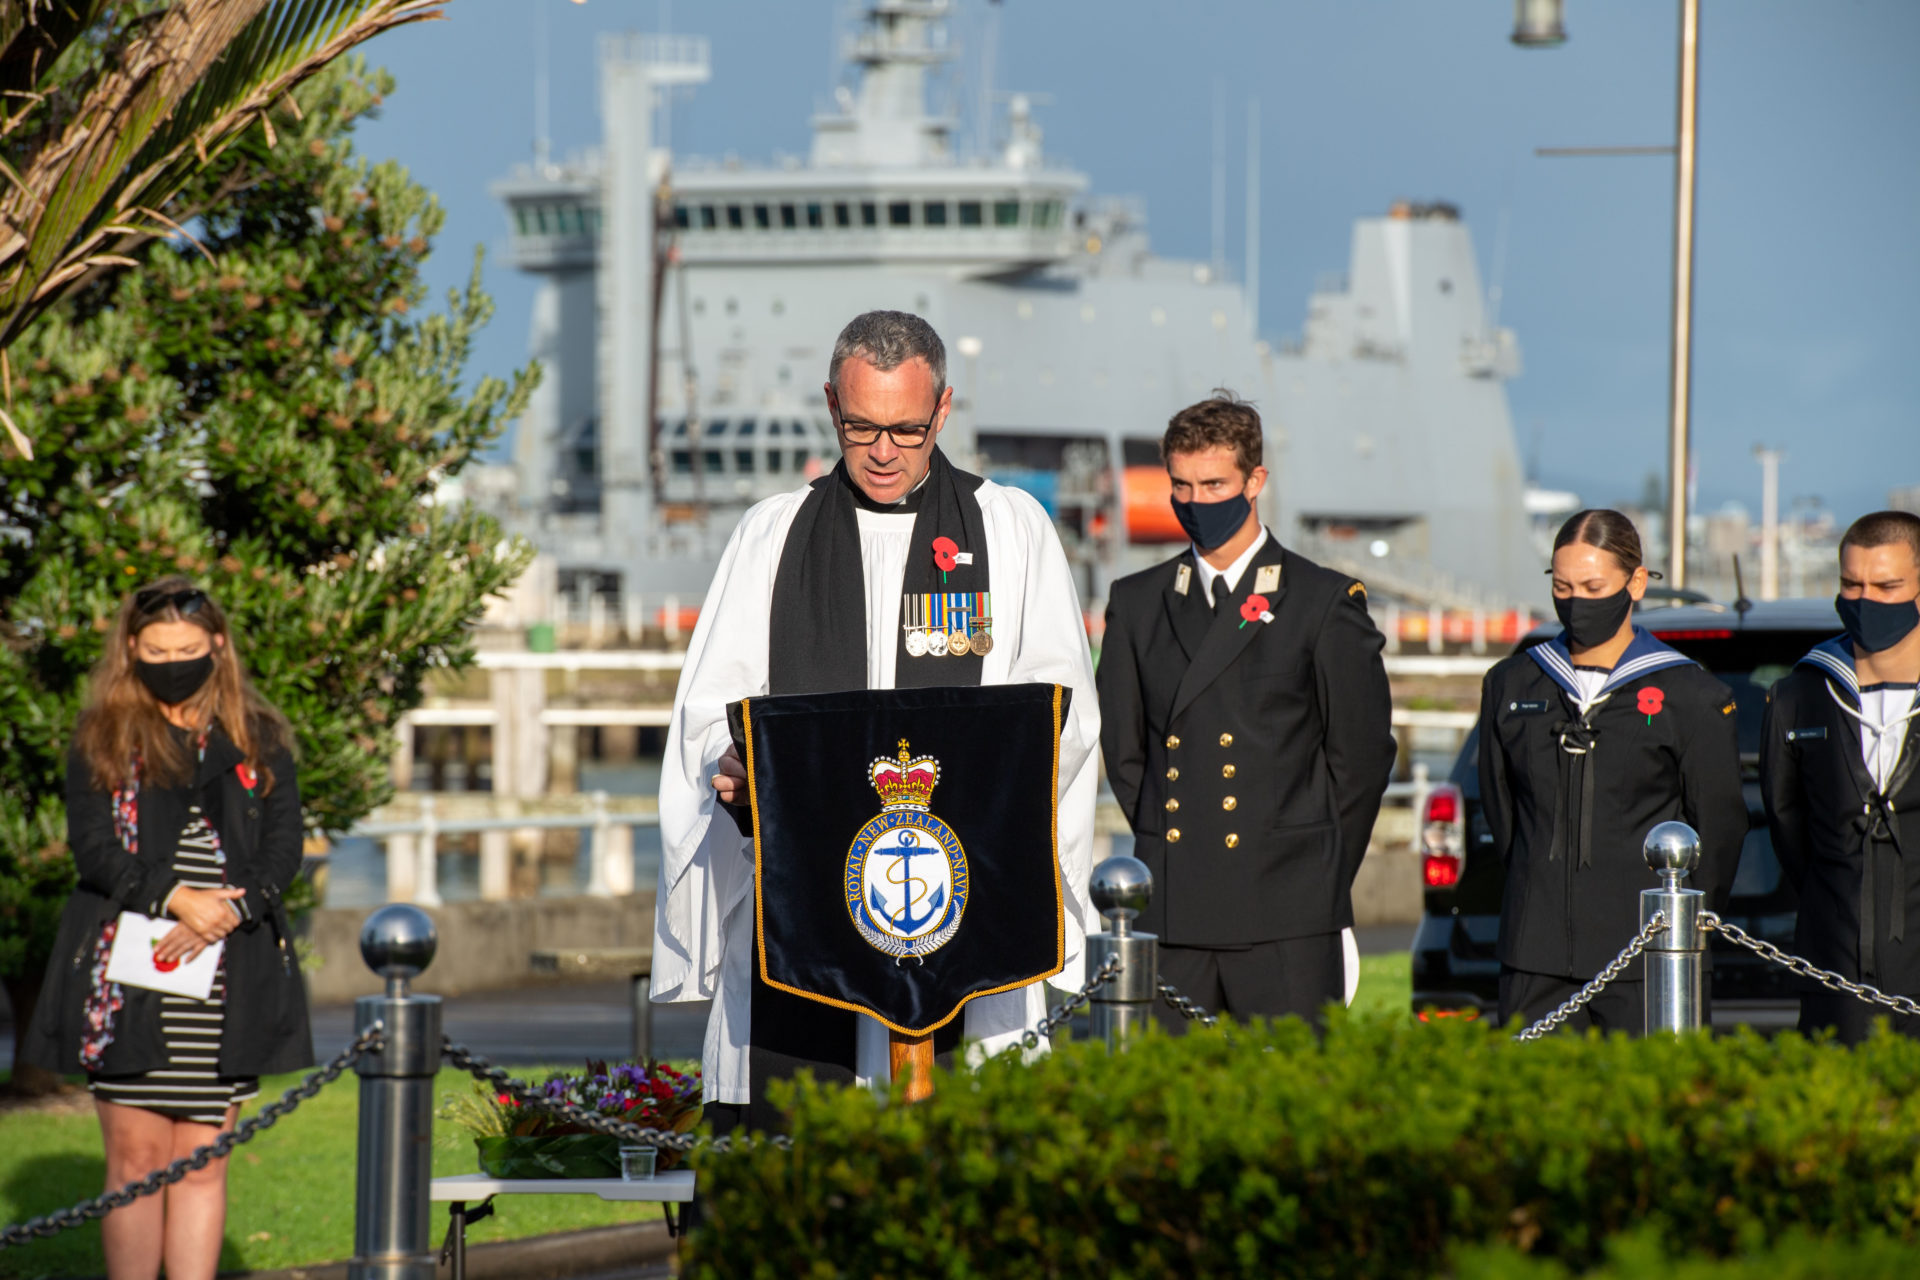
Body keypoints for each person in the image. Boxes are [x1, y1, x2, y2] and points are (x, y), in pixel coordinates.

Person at [652, 310, 1100, 1134]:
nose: (884, 451)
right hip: (801, 917)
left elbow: (1064, 718)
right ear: (831, 405)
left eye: (906, 428)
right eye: (861, 427)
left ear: (943, 410)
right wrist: (739, 761)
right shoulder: (771, 535)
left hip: (965, 911)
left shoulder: (1010, 532)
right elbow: (710, 707)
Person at [21, 579, 312, 1280]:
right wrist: (178, 897)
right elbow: (94, 850)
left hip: (226, 982)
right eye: (157, 649)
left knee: (201, 1170)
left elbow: (283, 851)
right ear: (131, 649)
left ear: (218, 646)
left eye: (187, 648)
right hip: (127, 979)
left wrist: (233, 909)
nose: (172, 661)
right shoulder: (105, 736)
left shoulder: (257, 736)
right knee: (135, 1165)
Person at [1096, 392, 1395, 1030]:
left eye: (1214, 484)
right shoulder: (1137, 604)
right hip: (1175, 909)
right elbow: (1125, 754)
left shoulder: (1322, 602)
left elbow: (1361, 758)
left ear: (1255, 481)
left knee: (1289, 1111)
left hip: (1287, 912)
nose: (1196, 502)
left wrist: (1312, 873)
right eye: (1181, 485)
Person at [1479, 510, 1746, 1032]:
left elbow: (1717, 828)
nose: (1576, 601)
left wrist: (1680, 934)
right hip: (1535, 960)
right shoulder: (1513, 684)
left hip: (1648, 956)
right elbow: (1505, 812)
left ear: (1637, 582)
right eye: (1562, 586)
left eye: (1594, 585)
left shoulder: (1689, 695)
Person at [1762, 510, 1920, 1042]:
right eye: (1851, 584)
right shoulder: (1799, 694)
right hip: (1837, 972)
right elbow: (1790, 825)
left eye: (1887, 585)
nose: (1865, 599)